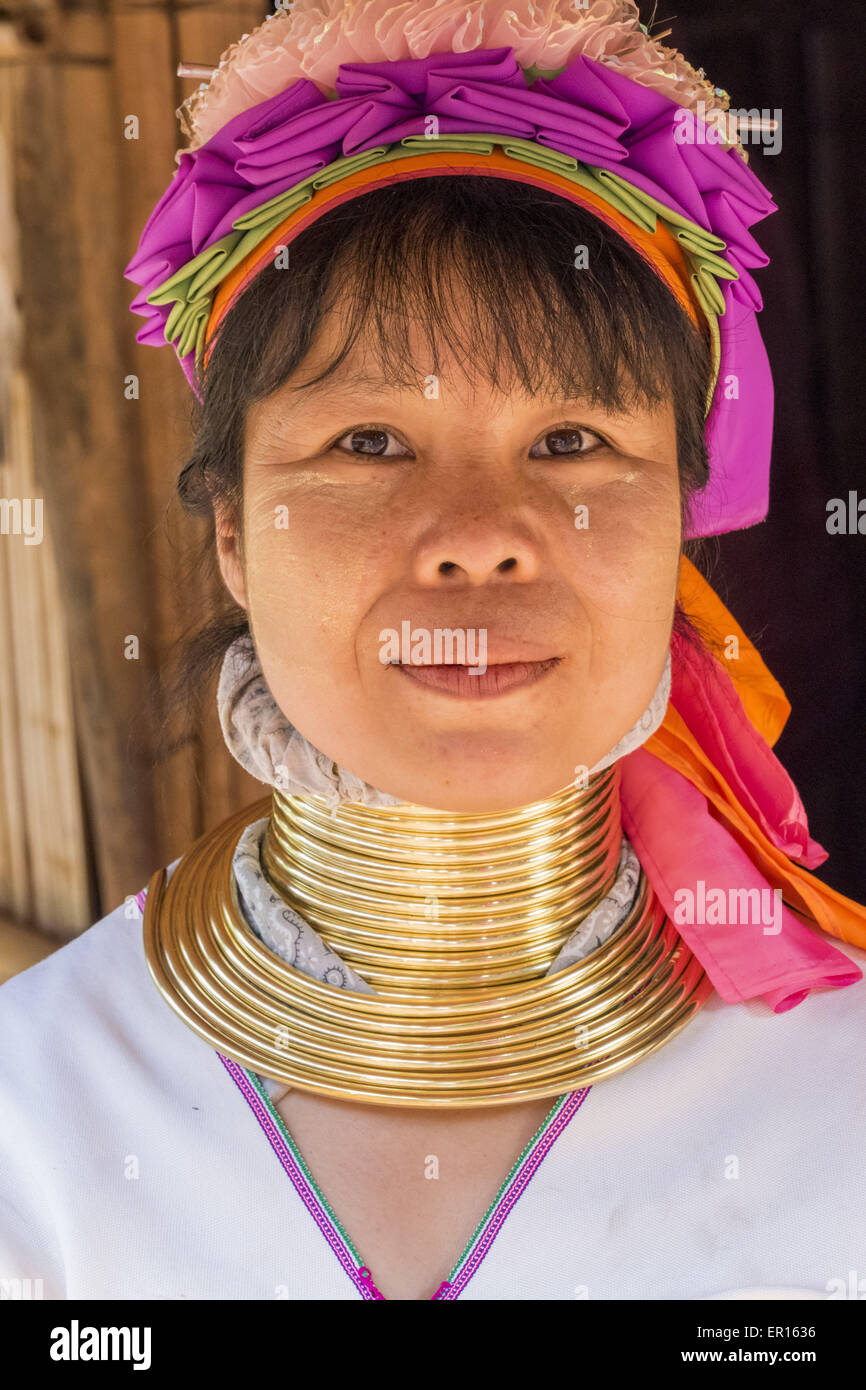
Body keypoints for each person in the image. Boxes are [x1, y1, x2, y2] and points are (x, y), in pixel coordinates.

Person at [2, 0, 865, 1302]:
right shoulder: (35, 1118)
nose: (476, 539)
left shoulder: (836, 1099)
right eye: (366, 443)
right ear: (234, 531)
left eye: (571, 443)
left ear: (675, 524)